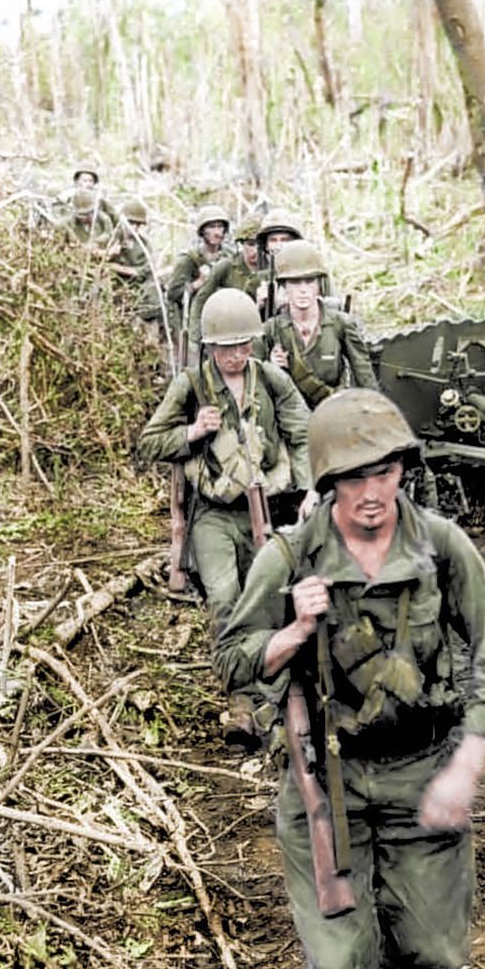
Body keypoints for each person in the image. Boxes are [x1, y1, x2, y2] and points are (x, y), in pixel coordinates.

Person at [214, 389, 485, 969]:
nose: (373, 490)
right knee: (346, 961)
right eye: (354, 476)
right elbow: (233, 658)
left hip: (425, 770)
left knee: (431, 949)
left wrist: (471, 761)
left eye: (385, 470)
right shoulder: (291, 555)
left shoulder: (444, 547)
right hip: (331, 784)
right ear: (326, 484)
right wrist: (291, 632)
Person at [136, 288, 311, 746]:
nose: (235, 355)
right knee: (224, 597)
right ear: (209, 347)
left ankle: (271, 691)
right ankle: (239, 695)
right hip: (214, 513)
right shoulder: (190, 386)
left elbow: (303, 434)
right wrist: (193, 431)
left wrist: (312, 487)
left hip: (268, 509)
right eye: (225, 347)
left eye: (242, 345)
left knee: (270, 599)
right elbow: (149, 442)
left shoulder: (272, 382)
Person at [254, 241, 378, 406]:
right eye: (295, 282)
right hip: (289, 417)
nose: (303, 290)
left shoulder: (340, 324)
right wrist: (272, 367)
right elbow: (254, 384)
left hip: (333, 410)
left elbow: (365, 377)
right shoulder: (271, 329)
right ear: (284, 286)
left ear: (319, 285)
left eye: (310, 281)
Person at [166, 203, 233, 365]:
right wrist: (198, 283)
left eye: (220, 227)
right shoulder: (188, 259)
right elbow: (173, 293)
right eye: (212, 227)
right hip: (192, 322)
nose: (217, 232)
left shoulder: (229, 256)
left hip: (220, 321)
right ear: (202, 230)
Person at [188, 218, 264, 354]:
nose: (255, 250)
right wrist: (197, 337)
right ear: (242, 244)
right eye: (251, 244)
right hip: (226, 335)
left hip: (258, 334)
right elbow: (201, 300)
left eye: (260, 244)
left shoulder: (270, 270)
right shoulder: (226, 267)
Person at [106, 198, 164, 339]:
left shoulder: (143, 244)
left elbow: (145, 270)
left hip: (138, 294)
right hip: (114, 293)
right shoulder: (111, 238)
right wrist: (110, 255)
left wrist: (118, 268)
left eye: (138, 224)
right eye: (131, 223)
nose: (135, 228)